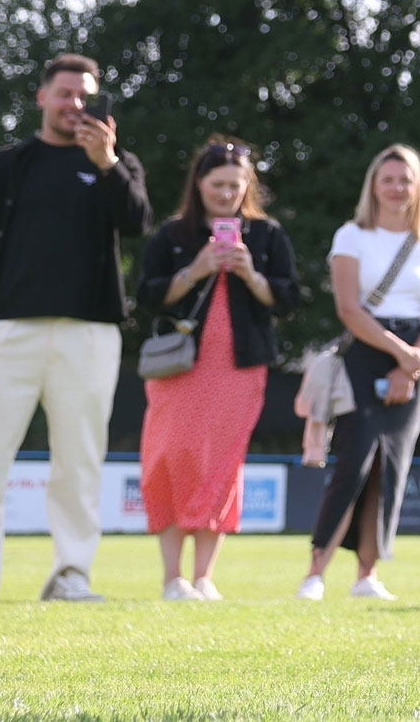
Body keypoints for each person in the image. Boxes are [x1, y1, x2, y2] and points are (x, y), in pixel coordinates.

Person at [0, 54, 154, 603]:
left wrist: (106, 163)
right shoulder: (5, 166)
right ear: (42, 97)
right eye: (64, 94)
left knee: (80, 463)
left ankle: (72, 575)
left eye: (85, 97)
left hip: (90, 333)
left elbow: (136, 224)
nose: (74, 106)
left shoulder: (118, 163)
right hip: (6, 331)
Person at [136, 137, 299, 600]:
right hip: (178, 369)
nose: (227, 193)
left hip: (240, 370)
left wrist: (250, 274)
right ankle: (173, 578)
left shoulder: (267, 235)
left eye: (236, 184)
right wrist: (197, 268)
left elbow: (288, 300)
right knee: (169, 458)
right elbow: (147, 296)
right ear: (199, 183)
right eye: (218, 184)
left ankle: (204, 577)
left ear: (249, 184)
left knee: (222, 465)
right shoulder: (173, 236)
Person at [298, 144, 420, 602]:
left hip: (415, 353)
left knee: (392, 467)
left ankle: (368, 575)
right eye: (388, 179)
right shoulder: (351, 235)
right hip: (366, 349)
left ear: (417, 186)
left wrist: (415, 360)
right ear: (374, 185)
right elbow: (348, 308)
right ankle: (315, 572)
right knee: (354, 461)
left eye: (405, 179)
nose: (397, 187)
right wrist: (400, 353)